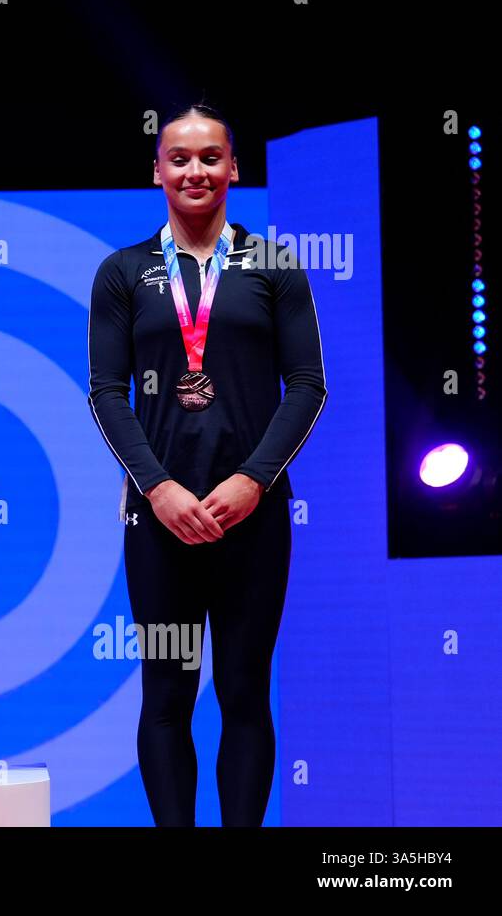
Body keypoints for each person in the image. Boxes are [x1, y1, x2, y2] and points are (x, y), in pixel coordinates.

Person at [87, 104, 326, 825]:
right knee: (165, 693)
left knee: (245, 692)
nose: (196, 171)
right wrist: (156, 488)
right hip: (159, 522)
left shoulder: (274, 265)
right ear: (157, 170)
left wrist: (254, 478)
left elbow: (309, 384)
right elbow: (105, 390)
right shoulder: (123, 272)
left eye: (211, 157)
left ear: (235, 168)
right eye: (180, 158)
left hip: (252, 519)